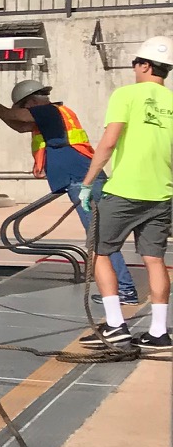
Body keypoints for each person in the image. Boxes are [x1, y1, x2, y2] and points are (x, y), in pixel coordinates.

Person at [0, 77, 137, 303]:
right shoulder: (55, 115)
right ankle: (123, 287)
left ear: (30, 103)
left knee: (100, 239)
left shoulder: (48, 111)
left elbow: (14, 117)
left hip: (82, 182)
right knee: (100, 238)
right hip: (81, 180)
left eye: (22, 106)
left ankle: (125, 289)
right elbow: (18, 125)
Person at [83, 37, 173, 357]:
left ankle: (116, 325)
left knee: (99, 253)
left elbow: (109, 142)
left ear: (145, 65)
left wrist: (88, 182)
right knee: (155, 259)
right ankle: (159, 332)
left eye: (136, 63)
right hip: (162, 194)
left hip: (124, 191)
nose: (134, 68)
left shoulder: (126, 95)